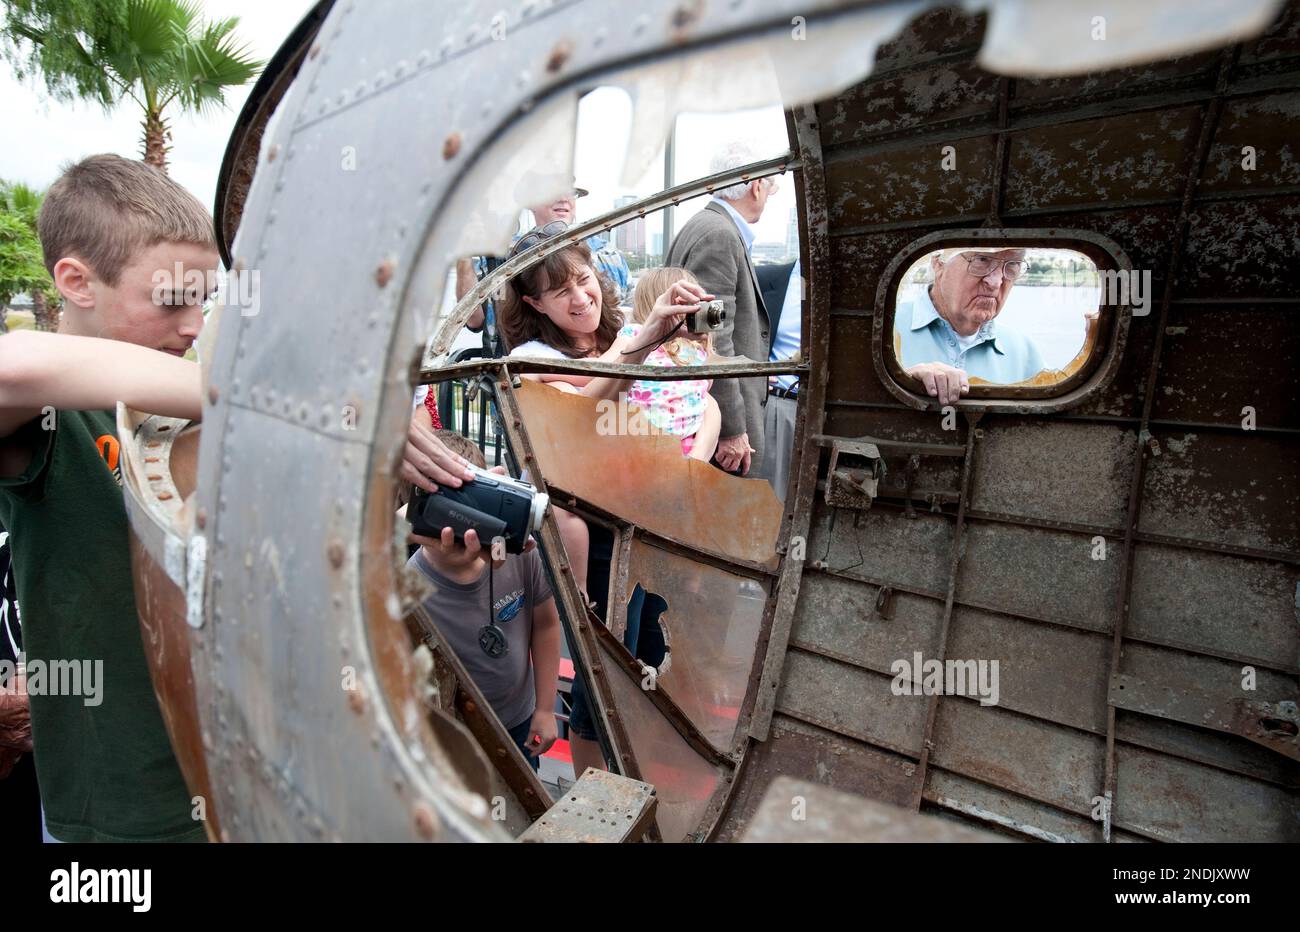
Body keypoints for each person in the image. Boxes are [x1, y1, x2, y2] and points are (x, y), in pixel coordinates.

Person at [0, 155, 478, 841]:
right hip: (125, 807)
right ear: (76, 282)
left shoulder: (195, 398)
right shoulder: (55, 424)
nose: (195, 326)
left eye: (203, 299)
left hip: (236, 778)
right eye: (169, 301)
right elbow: (13, 368)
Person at [497, 224, 712, 777]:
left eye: (584, 280)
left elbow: (699, 401)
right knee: (602, 677)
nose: (580, 297)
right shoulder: (531, 356)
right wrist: (642, 340)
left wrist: (690, 461)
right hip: (596, 530)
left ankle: (625, 783)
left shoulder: (620, 335)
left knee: (640, 655)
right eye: (560, 290)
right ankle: (598, 795)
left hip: (644, 518)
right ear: (532, 302)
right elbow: (588, 408)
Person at [405, 430, 560, 770]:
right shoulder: (408, 588)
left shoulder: (518, 556)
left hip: (517, 720)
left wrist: (545, 709)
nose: (463, 524)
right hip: (450, 736)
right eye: (448, 507)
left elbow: (546, 624)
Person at [667, 142, 778, 476]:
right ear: (756, 186)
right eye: (771, 186)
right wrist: (731, 428)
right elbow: (712, 338)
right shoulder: (719, 235)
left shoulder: (706, 226)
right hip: (719, 424)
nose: (770, 195)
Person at [455, 183, 630, 355]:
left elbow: (632, 314)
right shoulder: (506, 259)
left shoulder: (609, 254)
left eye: (569, 191)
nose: (563, 198)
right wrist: (464, 253)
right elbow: (474, 319)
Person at [894, 246, 1045, 405]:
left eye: (1013, 264)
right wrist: (904, 381)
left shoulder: (1024, 352)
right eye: (982, 260)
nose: (995, 282)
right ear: (938, 262)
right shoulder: (885, 331)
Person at [622, 267, 721, 462]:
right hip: (664, 448)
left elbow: (601, 366)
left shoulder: (698, 349)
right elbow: (602, 366)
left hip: (662, 447)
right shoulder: (636, 335)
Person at [756, 257, 801, 500]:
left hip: (839, 417)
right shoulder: (762, 279)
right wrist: (754, 371)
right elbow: (729, 337)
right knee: (768, 507)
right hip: (778, 407)